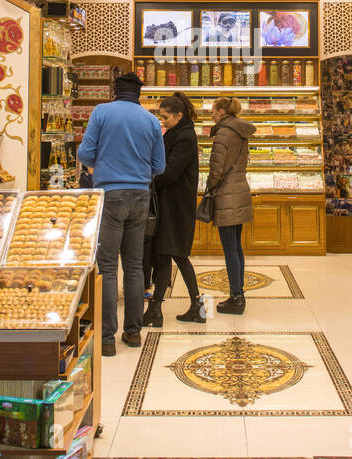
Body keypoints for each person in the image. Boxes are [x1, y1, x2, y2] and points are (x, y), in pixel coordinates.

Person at [77, 71, 165, 356]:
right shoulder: (152, 120)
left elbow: (86, 153)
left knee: (107, 266)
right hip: (140, 195)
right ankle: (133, 332)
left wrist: (104, 162)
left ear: (115, 91)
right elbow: (159, 165)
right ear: (138, 95)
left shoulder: (102, 112)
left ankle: (106, 338)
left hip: (110, 195)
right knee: (134, 264)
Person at [142, 92, 205, 327]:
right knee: (165, 254)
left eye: (166, 117)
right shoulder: (176, 133)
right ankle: (157, 309)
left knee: (175, 253)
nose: (163, 121)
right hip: (169, 203)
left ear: (179, 115)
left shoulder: (185, 137)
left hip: (177, 205)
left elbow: (170, 172)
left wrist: (148, 180)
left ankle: (192, 306)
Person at [205, 96, 255, 314]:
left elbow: (216, 169)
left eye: (213, 110)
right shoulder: (241, 131)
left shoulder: (223, 133)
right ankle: (239, 293)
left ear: (222, 112)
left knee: (229, 247)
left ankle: (236, 297)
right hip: (240, 190)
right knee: (236, 246)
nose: (211, 114)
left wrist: (209, 188)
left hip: (226, 195)